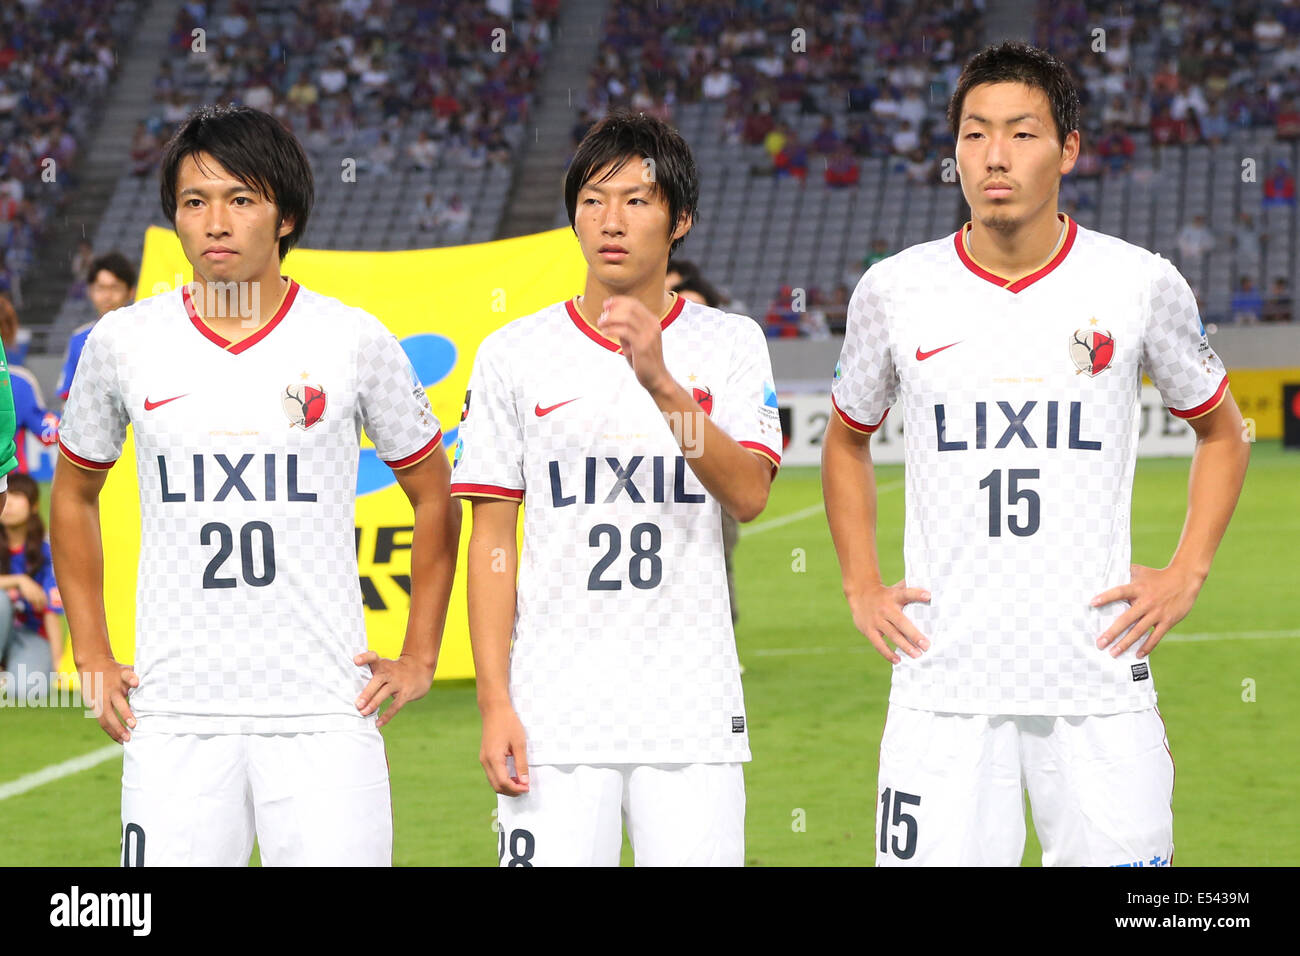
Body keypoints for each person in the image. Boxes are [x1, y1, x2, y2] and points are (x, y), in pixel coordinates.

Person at [822, 41, 1250, 867]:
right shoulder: (895, 291)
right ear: (953, 152)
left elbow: (1224, 431)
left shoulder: (1138, 283)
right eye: (975, 134)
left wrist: (1186, 571)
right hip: (942, 681)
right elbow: (847, 436)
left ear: (1070, 149)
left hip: (1095, 676)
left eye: (1022, 133)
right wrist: (859, 583)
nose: (994, 156)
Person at [50, 104, 461, 867]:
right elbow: (72, 495)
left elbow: (435, 493)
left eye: (241, 199)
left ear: (286, 214)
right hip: (173, 715)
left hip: (324, 712)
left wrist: (420, 653)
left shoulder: (353, 340)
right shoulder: (122, 344)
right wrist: (93, 654)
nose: (216, 221)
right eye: (194, 202)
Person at [451, 109, 781, 867]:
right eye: (594, 199)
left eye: (637, 199)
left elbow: (748, 494)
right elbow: (493, 540)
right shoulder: (513, 353)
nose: (611, 219)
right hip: (553, 715)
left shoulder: (729, 345)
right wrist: (494, 700)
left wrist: (662, 383)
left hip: (691, 713)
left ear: (680, 219)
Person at [0, 474, 62, 702]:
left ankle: (14, 673)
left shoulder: (47, 553)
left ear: (34, 505)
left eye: (18, 496)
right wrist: (18, 580)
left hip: (30, 635)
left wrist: (56, 664)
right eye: (7, 495)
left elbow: (51, 613)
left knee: (27, 692)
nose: (10, 503)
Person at [56, 252, 137, 402]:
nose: (107, 296)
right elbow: (67, 396)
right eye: (100, 288)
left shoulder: (143, 335)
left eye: (115, 288)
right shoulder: (79, 339)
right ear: (90, 291)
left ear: (130, 291)